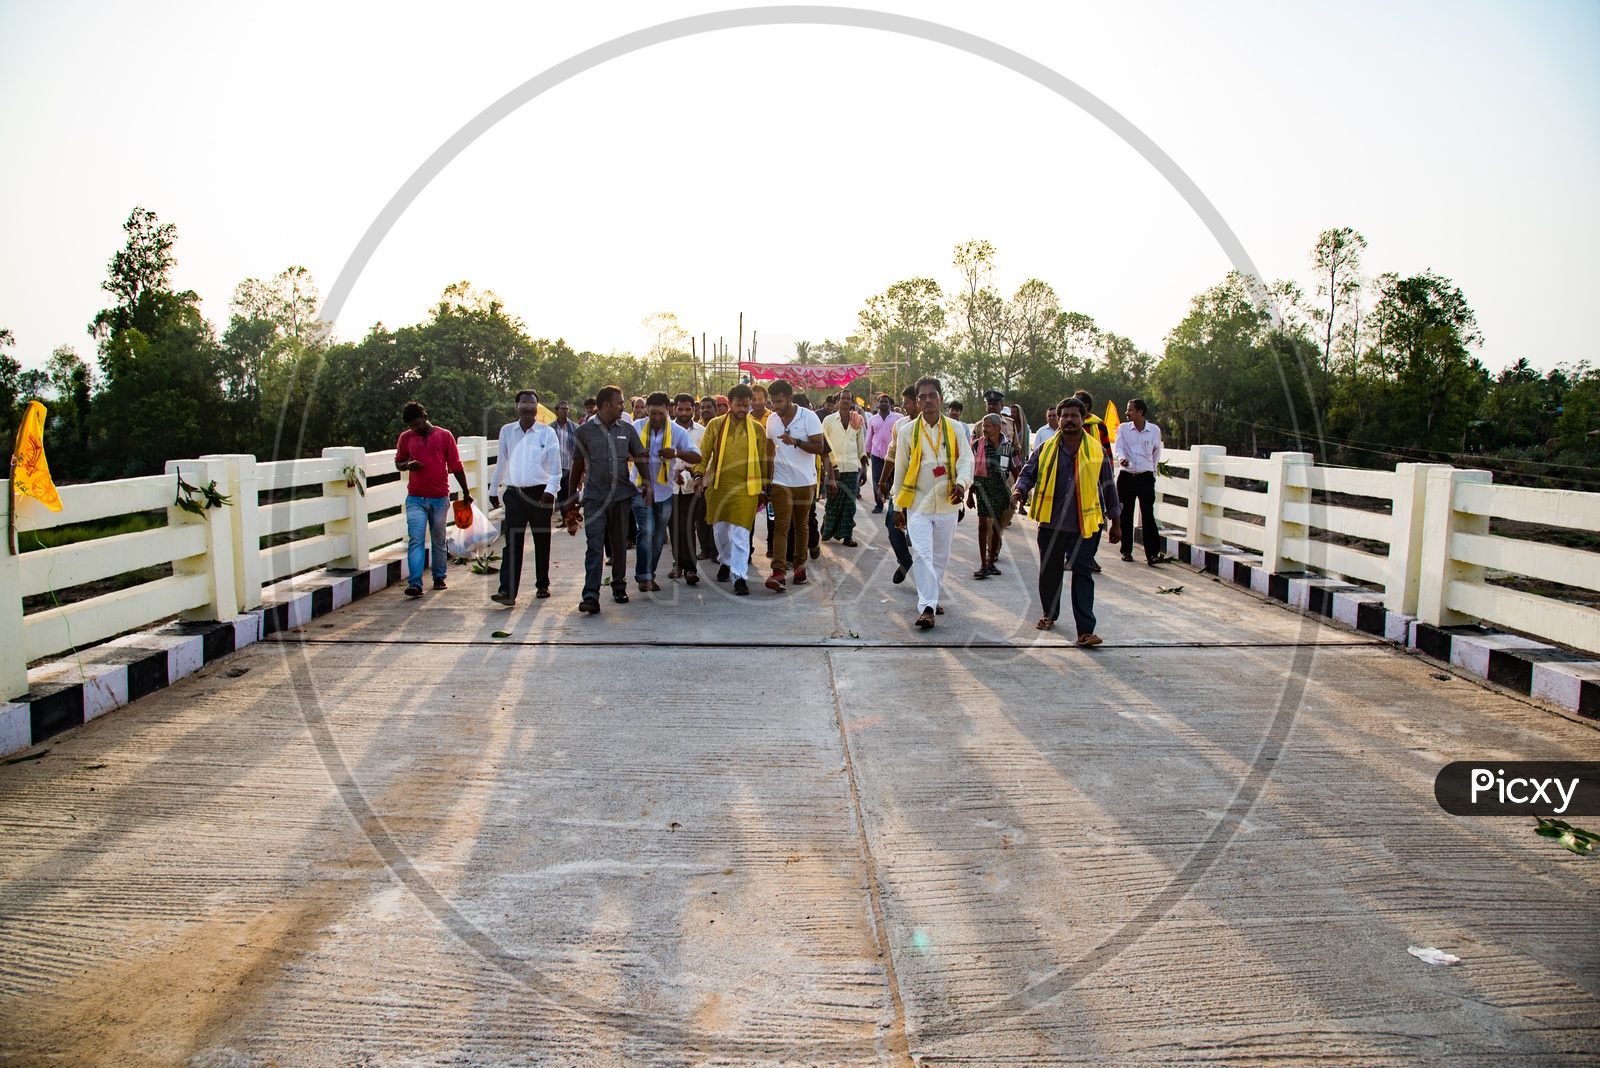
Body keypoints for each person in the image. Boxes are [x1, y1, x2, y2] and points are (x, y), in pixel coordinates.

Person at [1012, 397, 1122, 644]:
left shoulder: (1097, 451)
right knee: (1050, 573)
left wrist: (1116, 522)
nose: (1069, 420)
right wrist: (1019, 491)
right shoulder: (1045, 449)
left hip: (1086, 525)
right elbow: (1028, 473)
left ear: (1083, 420)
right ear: (1059, 419)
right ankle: (1049, 614)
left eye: (1074, 416)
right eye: (1065, 416)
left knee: (1083, 574)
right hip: (1051, 522)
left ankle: (1085, 630)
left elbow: (1108, 485)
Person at [890, 378, 973, 630]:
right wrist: (897, 507)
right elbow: (900, 470)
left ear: (940, 399)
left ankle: (931, 598)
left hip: (948, 504)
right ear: (917, 402)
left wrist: (962, 484)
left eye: (932, 396)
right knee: (923, 555)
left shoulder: (955, 429)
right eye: (923, 397)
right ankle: (927, 607)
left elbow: (966, 460)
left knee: (940, 558)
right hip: (918, 505)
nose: (928, 401)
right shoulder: (907, 432)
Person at [567, 386, 647, 614]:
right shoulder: (584, 431)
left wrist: (648, 484)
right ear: (606, 405)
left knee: (619, 544)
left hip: (621, 497)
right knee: (594, 546)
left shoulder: (627, 429)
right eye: (619, 403)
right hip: (594, 498)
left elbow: (639, 456)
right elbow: (577, 465)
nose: (623, 407)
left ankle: (619, 586)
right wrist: (571, 498)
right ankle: (590, 595)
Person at [393, 401, 473, 597]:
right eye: (411, 426)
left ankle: (439, 577)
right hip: (415, 497)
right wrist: (407, 465)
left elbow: (455, 465)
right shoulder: (406, 437)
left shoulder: (444, 436)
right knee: (416, 539)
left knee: (438, 539)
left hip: (439, 497)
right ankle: (415, 583)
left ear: (425, 418)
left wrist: (466, 491)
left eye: (417, 424)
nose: (414, 428)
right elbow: (398, 462)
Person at [695, 383, 769, 596]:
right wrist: (698, 474)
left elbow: (763, 459)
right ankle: (726, 561)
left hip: (746, 490)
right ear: (729, 403)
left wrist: (765, 487)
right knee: (720, 532)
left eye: (746, 405)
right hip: (719, 488)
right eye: (739, 405)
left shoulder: (757, 428)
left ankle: (739, 576)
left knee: (741, 534)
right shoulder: (715, 425)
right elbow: (704, 452)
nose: (743, 409)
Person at [489, 389, 561, 605]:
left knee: (542, 541)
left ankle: (542, 585)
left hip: (540, 494)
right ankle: (507, 591)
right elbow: (502, 462)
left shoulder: (547, 433)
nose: (528, 407)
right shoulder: (507, 431)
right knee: (512, 543)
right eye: (524, 403)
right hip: (514, 495)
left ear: (537, 408)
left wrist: (550, 491)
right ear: (516, 407)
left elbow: (556, 468)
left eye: (532, 404)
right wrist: (493, 489)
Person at [631, 391, 702, 592]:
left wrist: (675, 453)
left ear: (667, 411)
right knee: (646, 531)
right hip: (640, 489)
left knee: (658, 538)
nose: (656, 418)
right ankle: (644, 577)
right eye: (652, 413)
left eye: (660, 414)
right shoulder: (636, 427)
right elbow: (622, 452)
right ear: (646, 410)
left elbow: (697, 457)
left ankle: (649, 574)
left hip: (664, 492)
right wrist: (635, 455)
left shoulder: (677, 432)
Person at [762, 379, 824, 592]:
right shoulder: (772, 420)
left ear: (789, 398)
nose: (775, 406)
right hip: (781, 481)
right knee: (781, 525)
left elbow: (819, 447)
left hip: (805, 481)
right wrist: (768, 480)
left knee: (801, 525)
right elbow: (770, 450)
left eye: (779, 401)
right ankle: (778, 572)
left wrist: (795, 441)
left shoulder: (808, 417)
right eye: (773, 402)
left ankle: (799, 567)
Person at [875, 384, 920, 584]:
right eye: (903, 402)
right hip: (901, 486)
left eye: (907, 402)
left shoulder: (932, 426)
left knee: (920, 533)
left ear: (918, 402)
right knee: (893, 525)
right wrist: (882, 481)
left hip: (924, 489)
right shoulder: (900, 425)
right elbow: (891, 454)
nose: (904, 405)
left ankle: (925, 583)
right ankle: (905, 561)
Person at [1114, 397, 1163, 565]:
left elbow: (1156, 453)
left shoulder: (1154, 430)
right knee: (1126, 514)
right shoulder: (1123, 428)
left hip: (1145, 477)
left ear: (1140, 412)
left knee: (1148, 514)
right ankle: (1126, 550)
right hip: (1127, 477)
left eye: (1130, 410)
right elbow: (1119, 447)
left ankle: (1152, 554)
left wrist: (1152, 471)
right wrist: (1122, 458)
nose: (1127, 413)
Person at [967, 413, 1016, 578]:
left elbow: (1016, 468)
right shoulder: (977, 445)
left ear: (997, 427)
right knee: (982, 525)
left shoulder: (1008, 446)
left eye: (987, 426)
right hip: (982, 488)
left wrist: (1018, 492)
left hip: (1000, 489)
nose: (984, 429)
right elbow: (971, 470)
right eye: (983, 426)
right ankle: (983, 564)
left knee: (996, 526)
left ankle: (991, 562)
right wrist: (970, 495)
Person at [667, 393, 709, 584]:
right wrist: (674, 470)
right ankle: (677, 564)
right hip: (671, 487)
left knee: (689, 526)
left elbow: (707, 458)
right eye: (680, 409)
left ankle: (690, 569)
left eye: (687, 409)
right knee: (674, 526)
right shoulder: (667, 430)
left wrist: (696, 474)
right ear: (674, 409)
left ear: (694, 410)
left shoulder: (701, 431)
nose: (684, 413)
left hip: (693, 486)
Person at [820, 391, 867, 547]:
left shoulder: (857, 421)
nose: (846, 401)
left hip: (852, 468)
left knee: (850, 504)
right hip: (834, 469)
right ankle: (828, 525)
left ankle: (847, 535)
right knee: (832, 502)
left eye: (848, 399)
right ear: (837, 402)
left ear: (852, 402)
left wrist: (864, 470)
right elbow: (823, 446)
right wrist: (826, 469)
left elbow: (861, 447)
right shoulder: (829, 421)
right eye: (843, 399)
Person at [863, 393, 900, 514]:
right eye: (881, 402)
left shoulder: (897, 418)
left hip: (893, 455)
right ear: (878, 404)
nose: (883, 404)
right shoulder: (873, 419)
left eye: (886, 402)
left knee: (893, 479)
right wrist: (867, 451)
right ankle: (878, 505)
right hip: (876, 453)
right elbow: (869, 435)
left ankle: (894, 504)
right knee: (877, 480)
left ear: (890, 404)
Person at [549, 399, 578, 507]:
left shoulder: (574, 427)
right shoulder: (550, 428)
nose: (565, 411)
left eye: (567, 409)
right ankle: (563, 514)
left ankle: (570, 515)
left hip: (569, 466)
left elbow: (579, 448)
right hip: (555, 467)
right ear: (557, 411)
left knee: (570, 494)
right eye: (563, 409)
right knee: (559, 495)